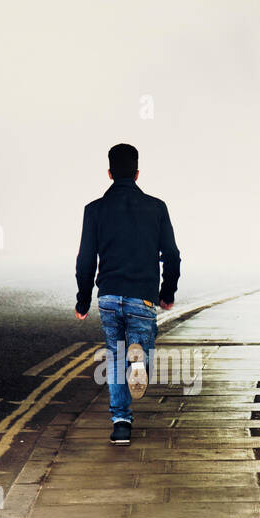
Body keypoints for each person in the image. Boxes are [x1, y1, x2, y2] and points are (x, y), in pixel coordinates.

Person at [74, 143, 181, 444]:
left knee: (114, 356)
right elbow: (172, 255)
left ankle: (121, 424)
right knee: (139, 354)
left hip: (108, 295)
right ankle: (140, 360)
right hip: (141, 297)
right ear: (137, 173)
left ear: (109, 173)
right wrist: (167, 293)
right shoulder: (156, 208)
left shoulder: (94, 210)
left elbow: (85, 259)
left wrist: (83, 301)